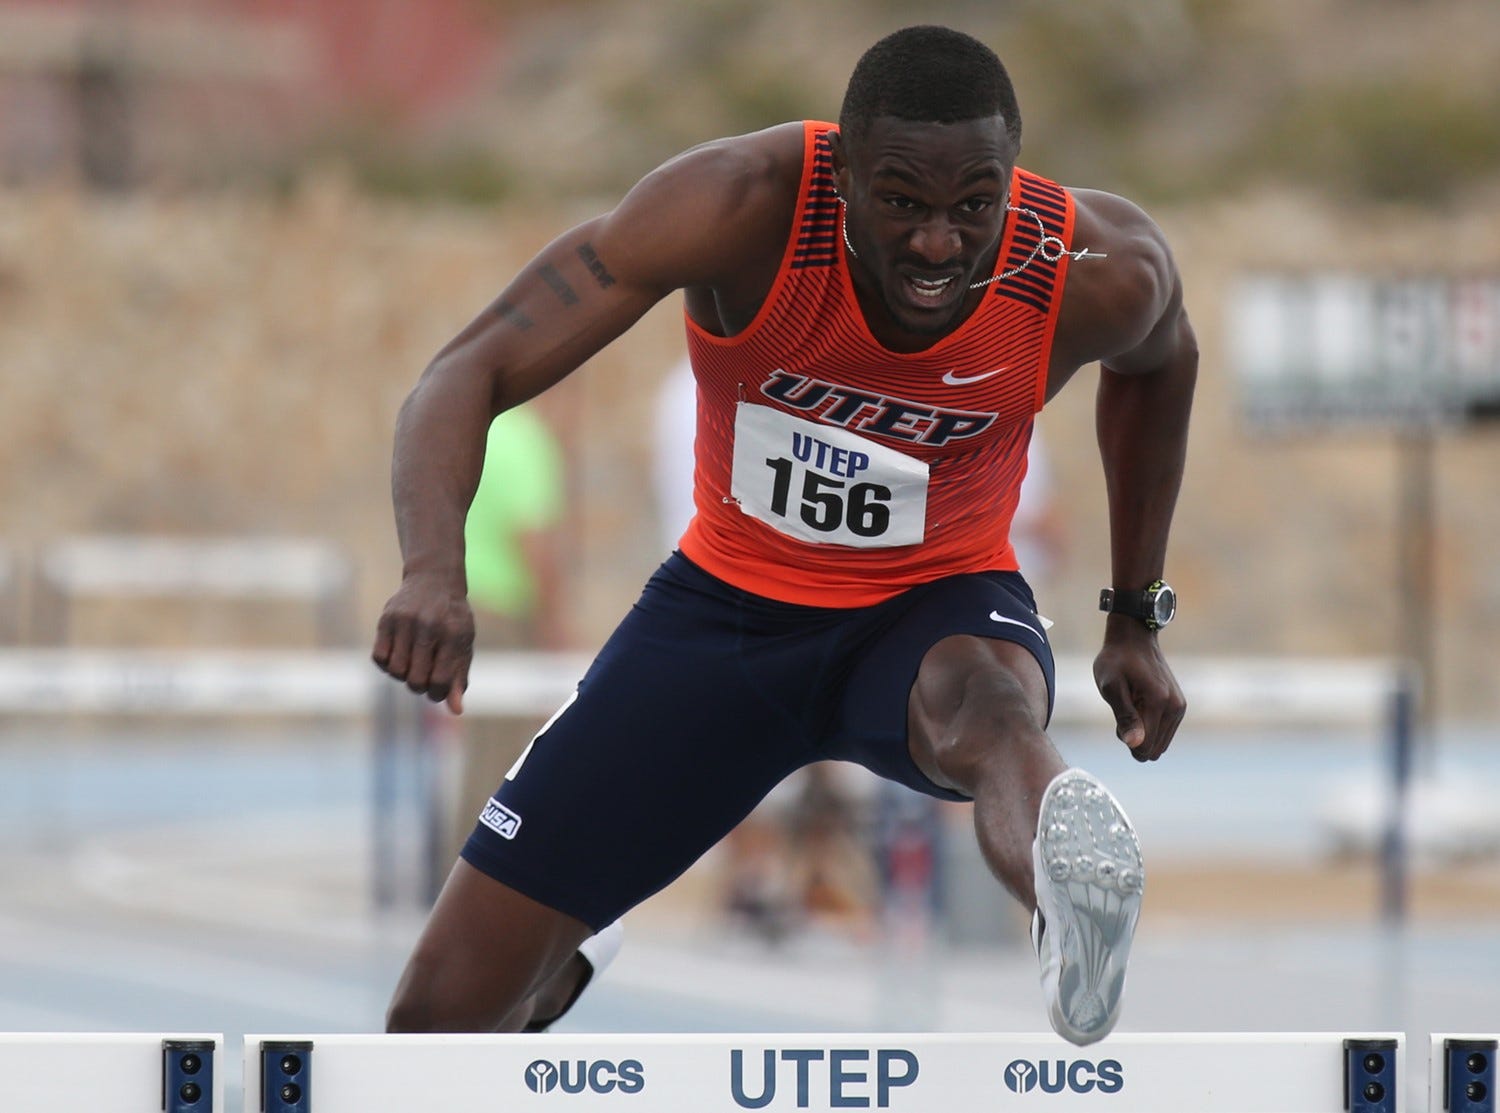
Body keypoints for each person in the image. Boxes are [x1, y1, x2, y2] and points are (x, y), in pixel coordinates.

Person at [372, 24, 1194, 1044]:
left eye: (973, 207)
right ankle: (571, 947)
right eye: (901, 204)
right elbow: (468, 367)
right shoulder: (740, 207)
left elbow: (1162, 362)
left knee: (985, 711)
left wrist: (1134, 615)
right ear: (841, 172)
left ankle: (1069, 906)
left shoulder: (1088, 266)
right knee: (437, 1023)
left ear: (1010, 181)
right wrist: (430, 572)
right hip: (718, 624)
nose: (939, 244)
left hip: (929, 607)